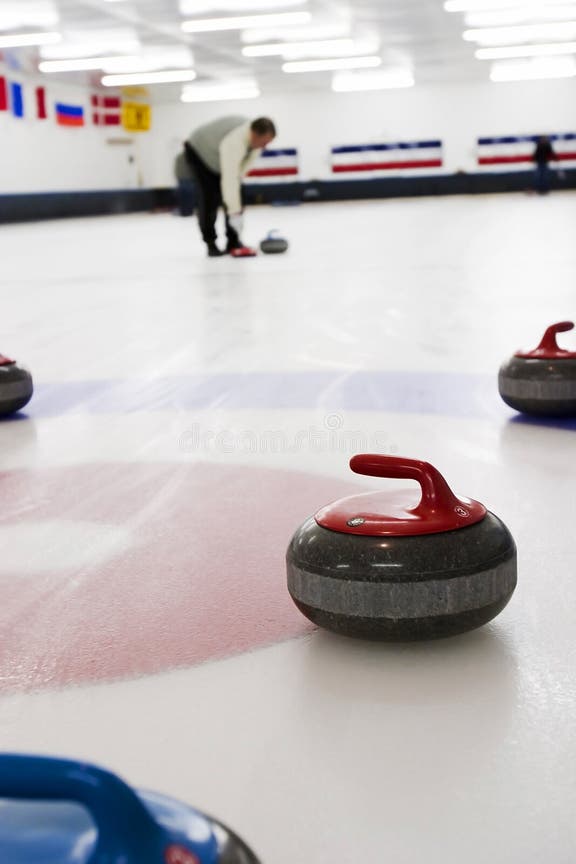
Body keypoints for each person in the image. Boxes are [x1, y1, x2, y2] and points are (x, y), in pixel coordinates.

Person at [183, 116, 276, 256]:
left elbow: (238, 176)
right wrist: (234, 212)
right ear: (255, 135)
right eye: (264, 142)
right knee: (209, 196)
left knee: (237, 195)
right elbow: (230, 179)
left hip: (218, 154)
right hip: (199, 151)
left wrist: (236, 210)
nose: (265, 147)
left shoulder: (255, 141)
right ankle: (211, 244)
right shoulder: (235, 142)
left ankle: (233, 242)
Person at [174, 149, 195, 216]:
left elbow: (176, 168)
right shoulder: (190, 156)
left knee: (183, 197)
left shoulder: (179, 157)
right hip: (189, 179)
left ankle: (184, 211)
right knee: (190, 197)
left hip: (182, 179)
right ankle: (189, 211)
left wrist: (178, 176)